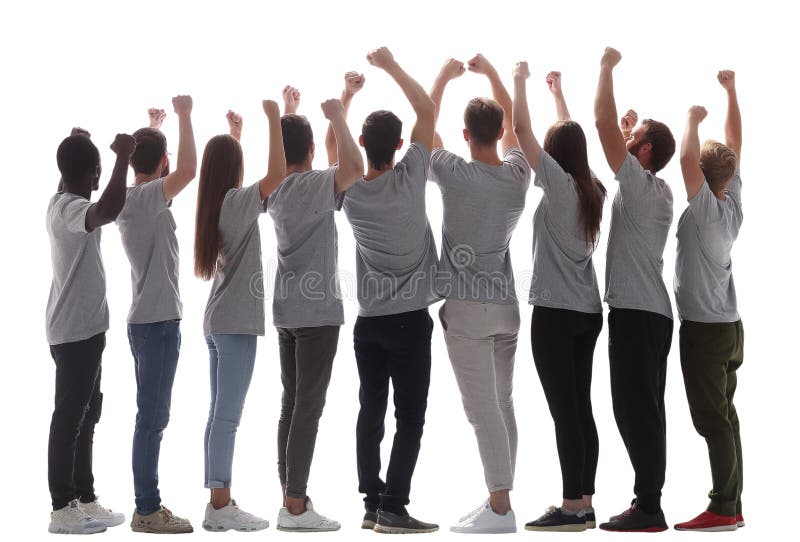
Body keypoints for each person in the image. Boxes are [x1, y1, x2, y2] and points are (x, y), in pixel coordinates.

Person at [331, 47, 439, 534]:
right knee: (409, 418)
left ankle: (372, 502)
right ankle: (393, 507)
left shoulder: (349, 192)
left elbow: (341, 156)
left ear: (361, 142)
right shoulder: (412, 177)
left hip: (369, 323)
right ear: (400, 146)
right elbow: (428, 111)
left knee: (370, 410)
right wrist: (391, 66)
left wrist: (345, 98)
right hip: (410, 321)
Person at [427, 54, 530, 534]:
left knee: (482, 409)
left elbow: (424, 130)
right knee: (502, 403)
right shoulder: (517, 175)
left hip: (467, 313)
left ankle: (501, 508)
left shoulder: (452, 170)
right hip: (506, 310)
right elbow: (513, 131)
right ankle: (499, 500)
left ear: (466, 134)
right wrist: (492, 73)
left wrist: (444, 78)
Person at [263, 85, 364, 532]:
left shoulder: (276, 189)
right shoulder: (316, 185)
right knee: (307, 408)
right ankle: (296, 505)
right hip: (317, 315)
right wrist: (340, 112)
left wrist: (290, 112)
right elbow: (354, 166)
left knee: (291, 406)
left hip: (286, 312)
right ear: (308, 148)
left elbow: (302, 149)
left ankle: (291, 496)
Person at [513, 64, 607, 532]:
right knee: (581, 408)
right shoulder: (593, 189)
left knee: (564, 412)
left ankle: (571, 507)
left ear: (554, 156)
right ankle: (585, 500)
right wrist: (559, 94)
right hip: (588, 313)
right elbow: (571, 142)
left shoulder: (557, 185)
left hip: (554, 314)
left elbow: (521, 130)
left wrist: (517, 79)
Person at [593, 47, 676, 532]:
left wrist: (606, 67)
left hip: (638, 313)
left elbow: (602, 126)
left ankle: (648, 506)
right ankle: (649, 502)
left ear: (643, 153)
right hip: (647, 313)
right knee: (643, 409)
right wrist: (630, 131)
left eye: (635, 138)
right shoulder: (649, 186)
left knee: (634, 410)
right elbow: (617, 137)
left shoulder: (642, 186)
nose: (626, 140)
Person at [194, 100, 286, 532]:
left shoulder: (217, 202)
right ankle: (220, 504)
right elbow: (277, 177)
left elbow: (226, 172)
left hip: (217, 319)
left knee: (218, 414)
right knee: (227, 416)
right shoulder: (236, 201)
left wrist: (233, 138)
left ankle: (218, 499)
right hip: (233, 323)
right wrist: (274, 119)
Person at [46, 130, 136, 534]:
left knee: (86, 415)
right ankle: (61, 507)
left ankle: (84, 497)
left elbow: (73, 175)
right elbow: (108, 210)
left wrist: (77, 142)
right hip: (75, 333)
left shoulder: (61, 196)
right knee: (69, 418)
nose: (100, 181)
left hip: (87, 329)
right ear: (92, 173)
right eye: (98, 173)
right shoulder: (69, 208)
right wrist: (123, 158)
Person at [117, 96, 196, 534]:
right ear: (163, 161)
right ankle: (147, 508)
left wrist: (151, 127)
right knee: (152, 418)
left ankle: (147, 504)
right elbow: (187, 171)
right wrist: (184, 117)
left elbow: (153, 165)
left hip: (146, 322)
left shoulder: (131, 197)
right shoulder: (148, 198)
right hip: (158, 323)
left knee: (149, 416)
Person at [673, 70, 745, 532]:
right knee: (727, 418)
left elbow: (684, 158)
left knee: (713, 422)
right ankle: (732, 505)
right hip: (730, 329)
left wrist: (693, 118)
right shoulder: (731, 199)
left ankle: (722, 507)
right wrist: (731, 93)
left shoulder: (707, 212)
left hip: (705, 332)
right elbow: (735, 145)